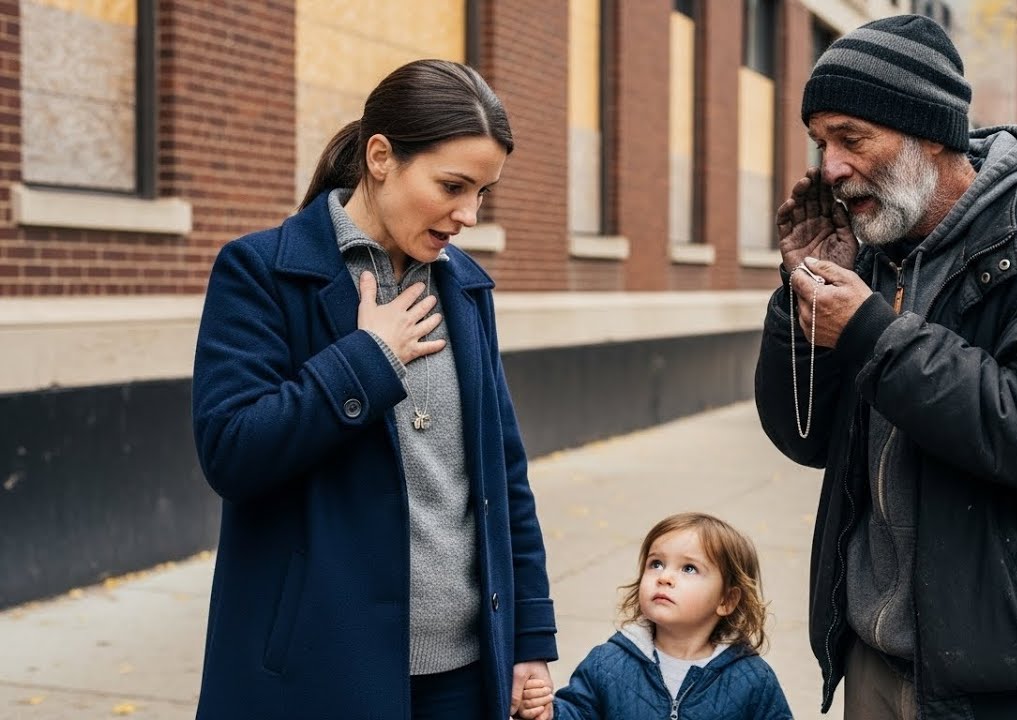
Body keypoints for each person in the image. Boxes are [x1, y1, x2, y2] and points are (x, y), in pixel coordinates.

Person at [754, 15, 1017, 720]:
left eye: (851, 137)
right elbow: (805, 436)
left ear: (930, 132)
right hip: (876, 662)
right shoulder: (872, 250)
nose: (830, 168)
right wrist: (803, 293)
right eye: (821, 143)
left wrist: (870, 334)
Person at [191, 59, 557, 720]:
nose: (468, 214)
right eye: (452, 185)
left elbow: (503, 475)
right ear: (381, 157)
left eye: (483, 192)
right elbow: (232, 452)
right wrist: (367, 359)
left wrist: (528, 637)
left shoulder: (464, 288)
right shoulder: (261, 272)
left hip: (464, 675)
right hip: (318, 676)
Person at [516, 512, 793, 719]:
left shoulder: (752, 680)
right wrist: (547, 713)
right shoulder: (608, 664)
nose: (665, 577)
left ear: (727, 600)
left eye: (689, 568)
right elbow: (578, 712)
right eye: (656, 564)